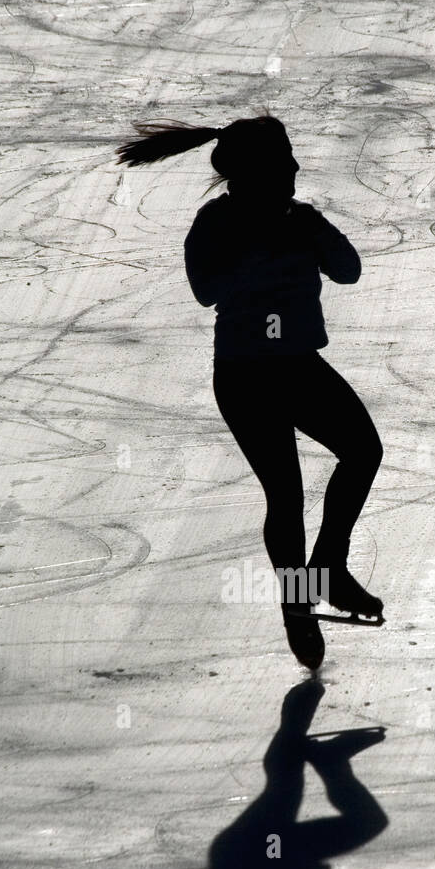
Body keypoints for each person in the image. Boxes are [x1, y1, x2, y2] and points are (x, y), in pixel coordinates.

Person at [115, 113, 384, 670]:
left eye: (291, 162)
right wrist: (259, 247)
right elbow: (204, 289)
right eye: (284, 164)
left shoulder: (299, 218)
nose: (295, 170)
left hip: (299, 366)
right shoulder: (216, 221)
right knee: (284, 493)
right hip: (245, 375)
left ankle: (328, 567)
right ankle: (297, 603)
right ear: (253, 173)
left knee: (363, 450)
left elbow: (350, 271)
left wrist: (311, 229)